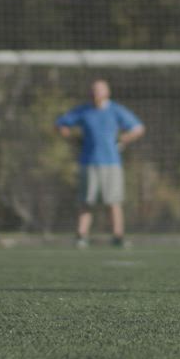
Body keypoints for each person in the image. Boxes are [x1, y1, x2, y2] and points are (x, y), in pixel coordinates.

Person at [55, 80, 145, 248]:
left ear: (107, 93)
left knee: (113, 201)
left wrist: (123, 139)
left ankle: (118, 236)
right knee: (86, 201)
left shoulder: (116, 110)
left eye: (99, 90)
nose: (95, 93)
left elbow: (138, 128)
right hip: (88, 163)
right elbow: (61, 124)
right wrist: (73, 139)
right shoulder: (84, 111)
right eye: (93, 90)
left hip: (111, 162)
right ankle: (81, 236)